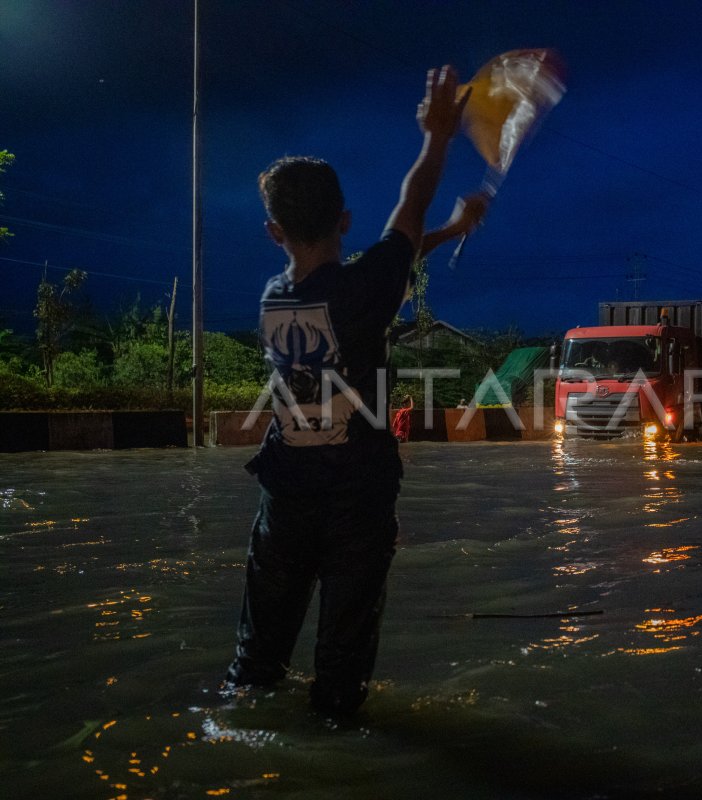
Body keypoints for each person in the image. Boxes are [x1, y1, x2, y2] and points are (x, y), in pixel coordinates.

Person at [225, 65, 488, 715]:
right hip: (355, 509)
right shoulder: (364, 291)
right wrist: (437, 139)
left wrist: (448, 233)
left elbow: (391, 259)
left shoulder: (273, 296)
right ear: (344, 219)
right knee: (339, 682)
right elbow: (408, 212)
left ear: (273, 233)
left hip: (283, 499)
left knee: (256, 664)